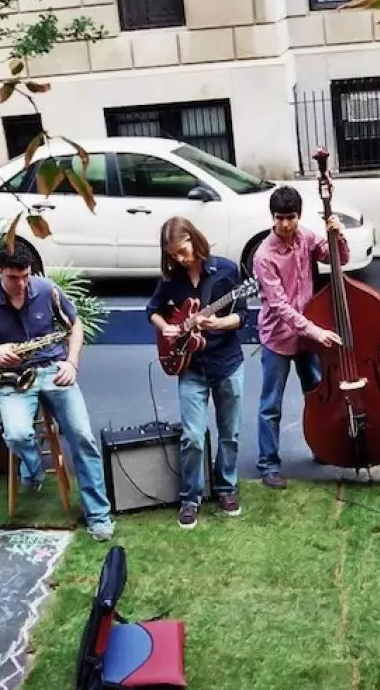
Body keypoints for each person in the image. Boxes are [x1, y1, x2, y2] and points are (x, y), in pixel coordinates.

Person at [0, 241, 115, 541]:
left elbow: (74, 326)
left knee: (82, 436)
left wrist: (71, 363)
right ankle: (32, 468)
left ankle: (98, 515)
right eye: (14, 277)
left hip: (54, 369)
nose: (22, 283)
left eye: (26, 275)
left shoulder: (47, 289)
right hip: (12, 379)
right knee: (16, 434)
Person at [146, 217, 247, 530]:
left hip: (227, 361)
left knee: (229, 433)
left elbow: (242, 316)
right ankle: (191, 497)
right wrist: (169, 329)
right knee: (192, 437)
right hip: (190, 366)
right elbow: (152, 310)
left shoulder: (228, 271)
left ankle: (226, 488)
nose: (179, 258)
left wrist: (219, 323)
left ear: (195, 239)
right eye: (172, 254)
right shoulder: (171, 279)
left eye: (182, 250)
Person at [252, 185, 349, 489]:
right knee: (271, 405)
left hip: (309, 337)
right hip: (279, 338)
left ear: (298, 216)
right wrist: (316, 331)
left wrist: (337, 235)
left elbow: (339, 261)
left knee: (317, 394)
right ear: (273, 217)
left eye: (290, 217)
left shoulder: (306, 237)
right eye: (279, 218)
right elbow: (280, 307)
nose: (285, 224)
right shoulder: (264, 255)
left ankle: (321, 447)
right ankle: (268, 464)